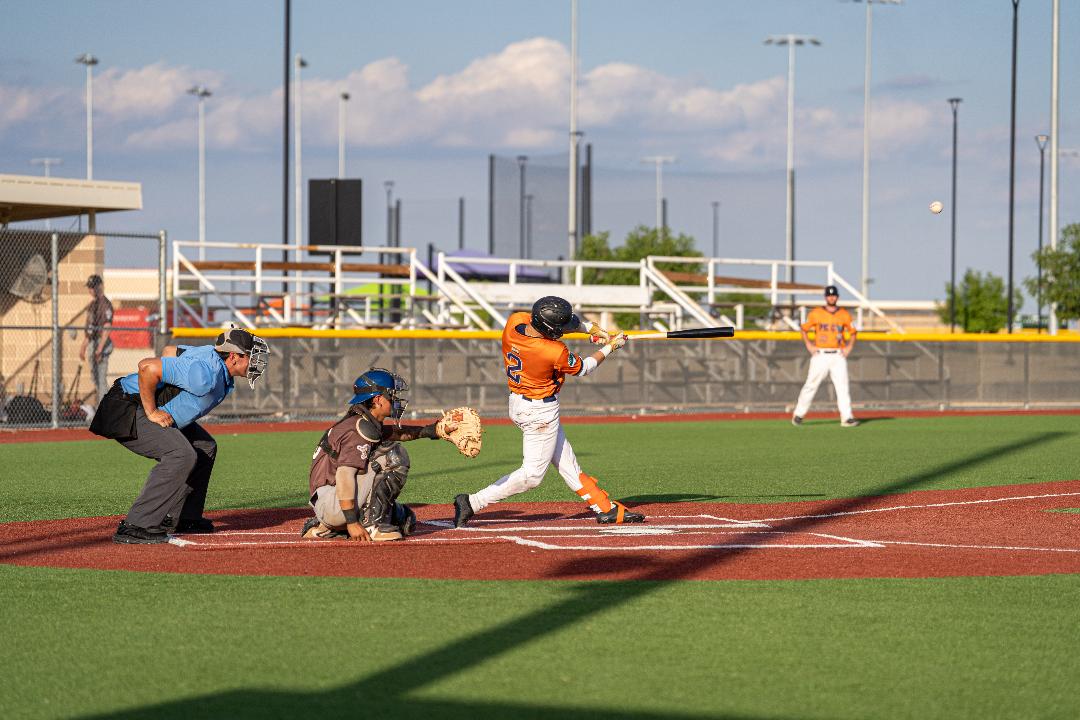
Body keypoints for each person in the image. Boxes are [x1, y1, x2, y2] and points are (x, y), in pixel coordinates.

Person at [452, 295, 645, 527]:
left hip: (520, 403)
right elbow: (584, 368)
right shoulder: (552, 350)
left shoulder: (516, 322)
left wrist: (595, 331)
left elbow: (567, 326)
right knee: (532, 476)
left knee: (567, 463)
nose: (566, 330)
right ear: (551, 331)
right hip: (539, 413)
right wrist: (611, 346)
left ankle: (605, 508)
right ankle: (472, 502)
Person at [90, 326, 270, 544]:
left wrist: (169, 387)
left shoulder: (210, 358)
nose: (256, 362)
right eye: (251, 355)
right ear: (233, 356)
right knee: (181, 454)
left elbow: (169, 351)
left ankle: (183, 517)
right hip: (127, 408)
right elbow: (147, 367)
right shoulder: (205, 374)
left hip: (141, 405)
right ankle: (136, 524)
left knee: (204, 448)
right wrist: (152, 411)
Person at [302, 368, 478, 542]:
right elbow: (344, 475)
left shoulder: (362, 423)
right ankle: (372, 525)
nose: (395, 400)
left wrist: (435, 430)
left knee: (403, 519)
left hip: (329, 502)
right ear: (378, 399)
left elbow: (397, 433)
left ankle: (325, 528)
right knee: (392, 454)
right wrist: (352, 522)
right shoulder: (359, 429)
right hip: (333, 501)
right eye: (391, 395)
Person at [792, 285, 860, 427]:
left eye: (833, 295)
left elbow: (853, 331)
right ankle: (798, 414)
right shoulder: (816, 313)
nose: (831, 297)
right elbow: (804, 328)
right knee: (811, 384)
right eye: (829, 295)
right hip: (820, 354)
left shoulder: (844, 314)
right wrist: (809, 345)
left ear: (837, 297)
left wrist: (849, 347)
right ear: (825, 297)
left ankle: (847, 417)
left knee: (842, 387)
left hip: (838, 355)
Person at [80, 274, 114, 405]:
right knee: (95, 378)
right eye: (89, 287)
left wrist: (100, 349)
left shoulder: (105, 304)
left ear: (99, 287)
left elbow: (106, 328)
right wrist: (84, 346)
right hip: (93, 342)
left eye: (92, 287)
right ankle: (104, 406)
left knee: (101, 378)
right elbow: (89, 329)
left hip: (101, 343)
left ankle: (105, 409)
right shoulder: (93, 304)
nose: (90, 290)